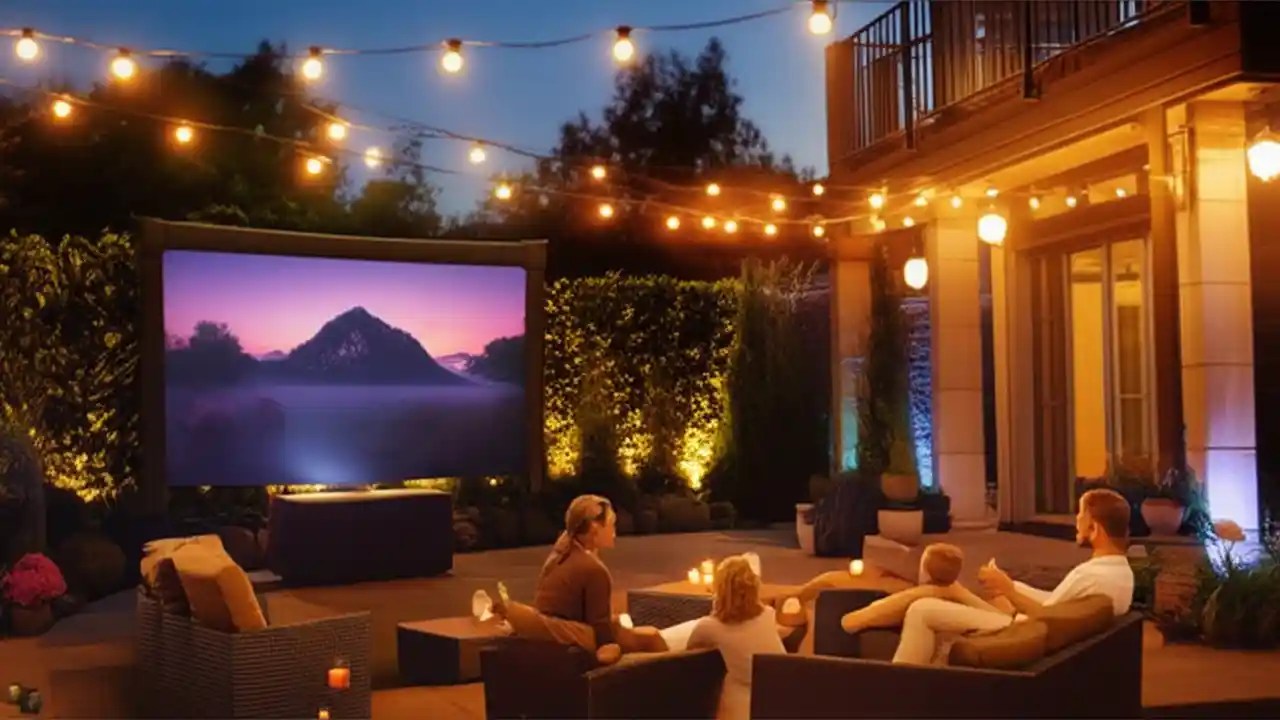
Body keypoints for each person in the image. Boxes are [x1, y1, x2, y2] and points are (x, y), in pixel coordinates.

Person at [891, 488, 1135, 665]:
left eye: (1082, 516)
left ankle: (899, 688)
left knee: (922, 610)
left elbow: (1045, 617)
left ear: (1095, 530)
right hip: (1038, 632)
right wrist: (1011, 585)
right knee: (952, 592)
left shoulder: (1089, 575)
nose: (1076, 520)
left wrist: (1008, 590)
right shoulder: (1120, 574)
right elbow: (1059, 607)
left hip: (1022, 634)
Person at [490, 494, 664, 661]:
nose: (614, 531)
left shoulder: (561, 553)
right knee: (652, 636)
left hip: (560, 627)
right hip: (576, 634)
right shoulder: (593, 569)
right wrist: (612, 644)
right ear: (595, 528)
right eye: (611, 525)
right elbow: (601, 629)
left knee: (631, 627)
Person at [686, 555, 787, 720]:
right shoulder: (768, 614)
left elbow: (687, 658)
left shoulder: (709, 627)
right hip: (782, 694)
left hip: (746, 707)